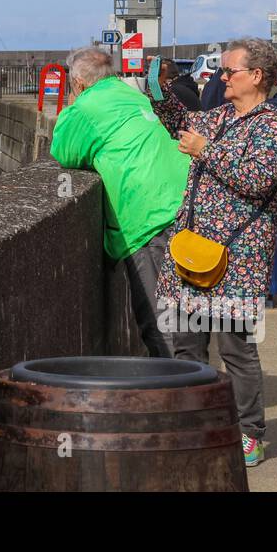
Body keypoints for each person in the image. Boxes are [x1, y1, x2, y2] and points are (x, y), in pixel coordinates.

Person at [148, 38, 277, 468]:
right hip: (191, 250)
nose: (221, 78)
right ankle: (193, 425)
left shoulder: (274, 125)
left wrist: (205, 150)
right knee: (185, 347)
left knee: (235, 350)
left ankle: (250, 433)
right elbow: (178, 120)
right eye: (221, 72)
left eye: (229, 72)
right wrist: (159, 88)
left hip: (237, 256)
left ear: (257, 76)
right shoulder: (219, 115)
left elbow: (257, 180)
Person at [51, 47, 190, 358]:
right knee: (185, 311)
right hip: (181, 199)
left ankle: (178, 391)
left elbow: (63, 151)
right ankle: (194, 381)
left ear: (78, 83)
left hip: (148, 214)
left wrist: (77, 105)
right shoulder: (131, 94)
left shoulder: (85, 107)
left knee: (158, 318)